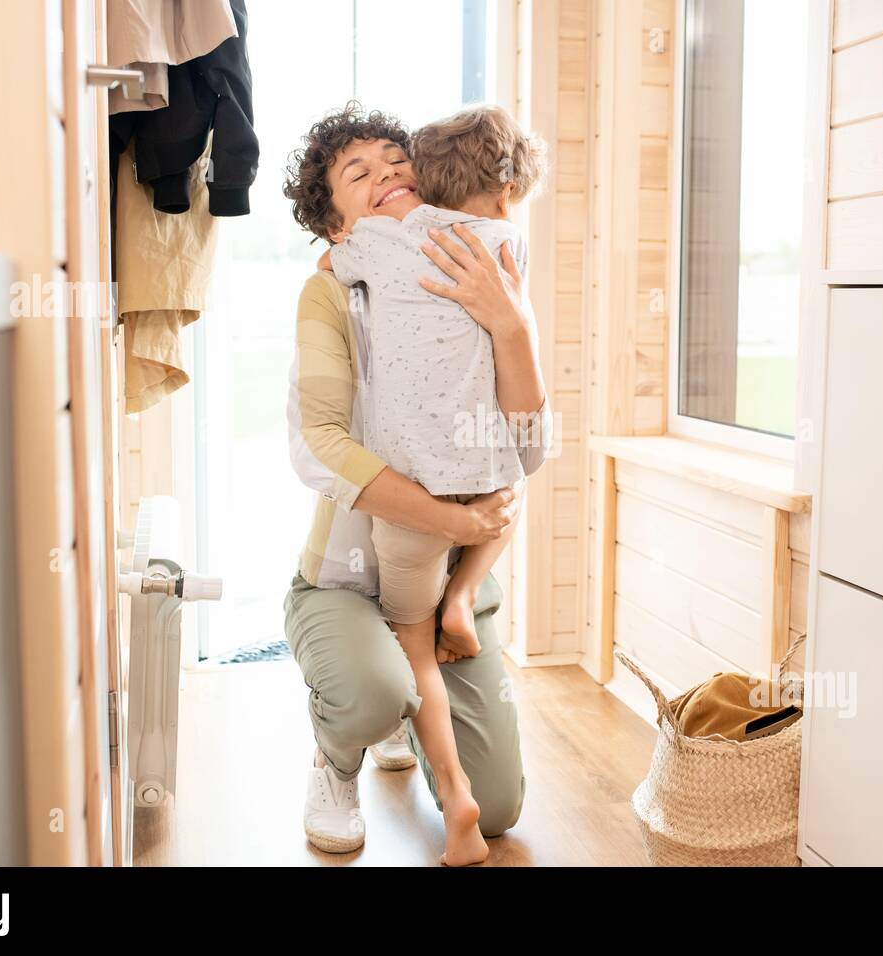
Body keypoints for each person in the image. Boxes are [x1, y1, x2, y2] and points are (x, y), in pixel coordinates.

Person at [281, 103, 552, 860]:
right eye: (357, 173)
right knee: (370, 692)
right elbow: (321, 446)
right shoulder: (332, 291)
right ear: (337, 227)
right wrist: (452, 521)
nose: (388, 175)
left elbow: (528, 453)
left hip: (451, 573)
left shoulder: (474, 267)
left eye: (397, 161)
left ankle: (415, 700)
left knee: (497, 808)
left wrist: (512, 327)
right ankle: (336, 763)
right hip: (353, 576)